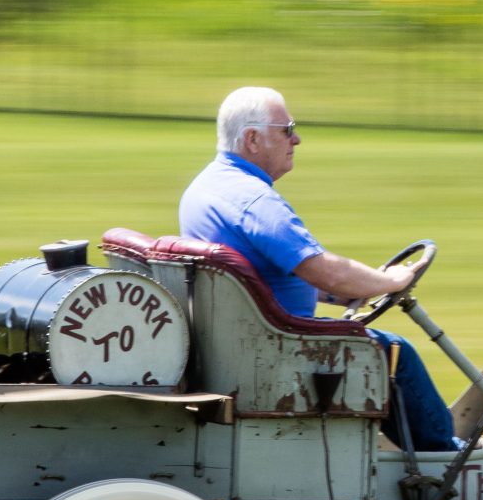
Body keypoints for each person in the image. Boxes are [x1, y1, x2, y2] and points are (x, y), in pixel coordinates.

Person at [179, 86, 461, 451]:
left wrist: (343, 292)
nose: (296, 139)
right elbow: (325, 270)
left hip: (243, 342)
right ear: (251, 139)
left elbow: (257, 280)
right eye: (287, 129)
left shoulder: (205, 187)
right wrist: (392, 280)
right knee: (394, 353)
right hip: (282, 350)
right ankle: (447, 460)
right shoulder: (254, 201)